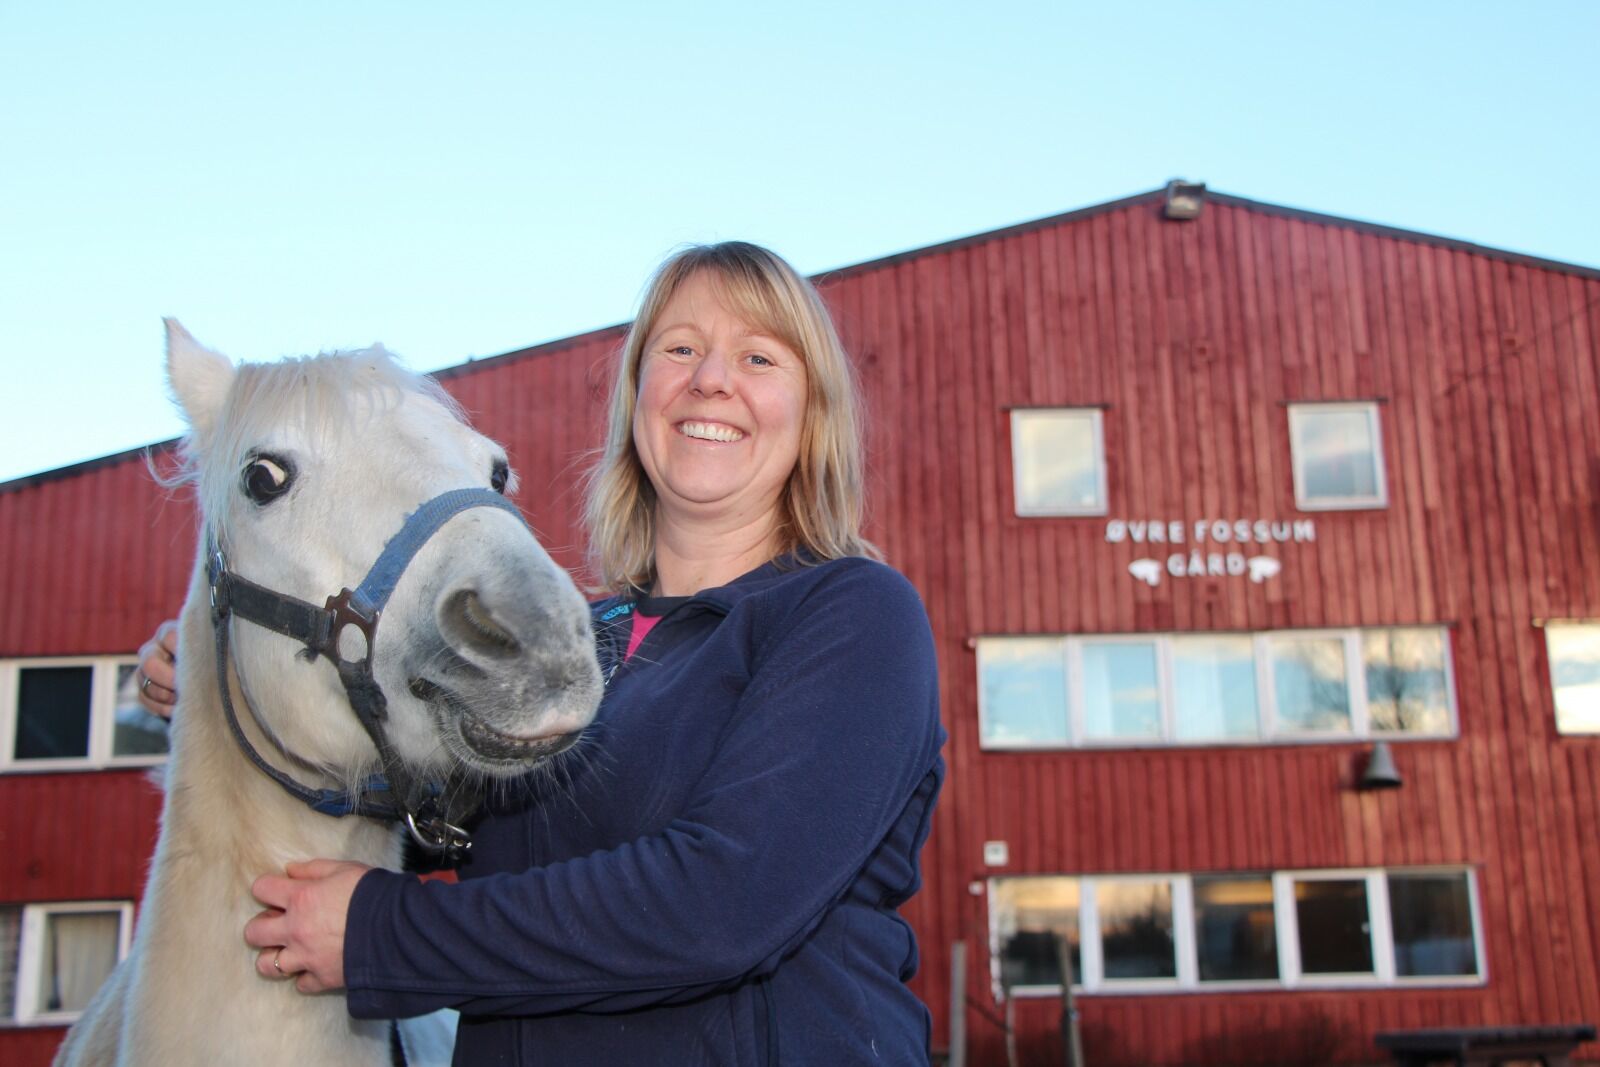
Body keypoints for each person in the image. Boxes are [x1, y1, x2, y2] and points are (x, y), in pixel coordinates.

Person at [135, 241, 946, 1066]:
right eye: (679, 348)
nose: (710, 378)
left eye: (758, 355)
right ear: (639, 394)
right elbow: (399, 813)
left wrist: (386, 933)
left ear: (812, 416)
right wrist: (237, 661)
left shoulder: (853, 614)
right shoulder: (569, 650)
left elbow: (723, 903)